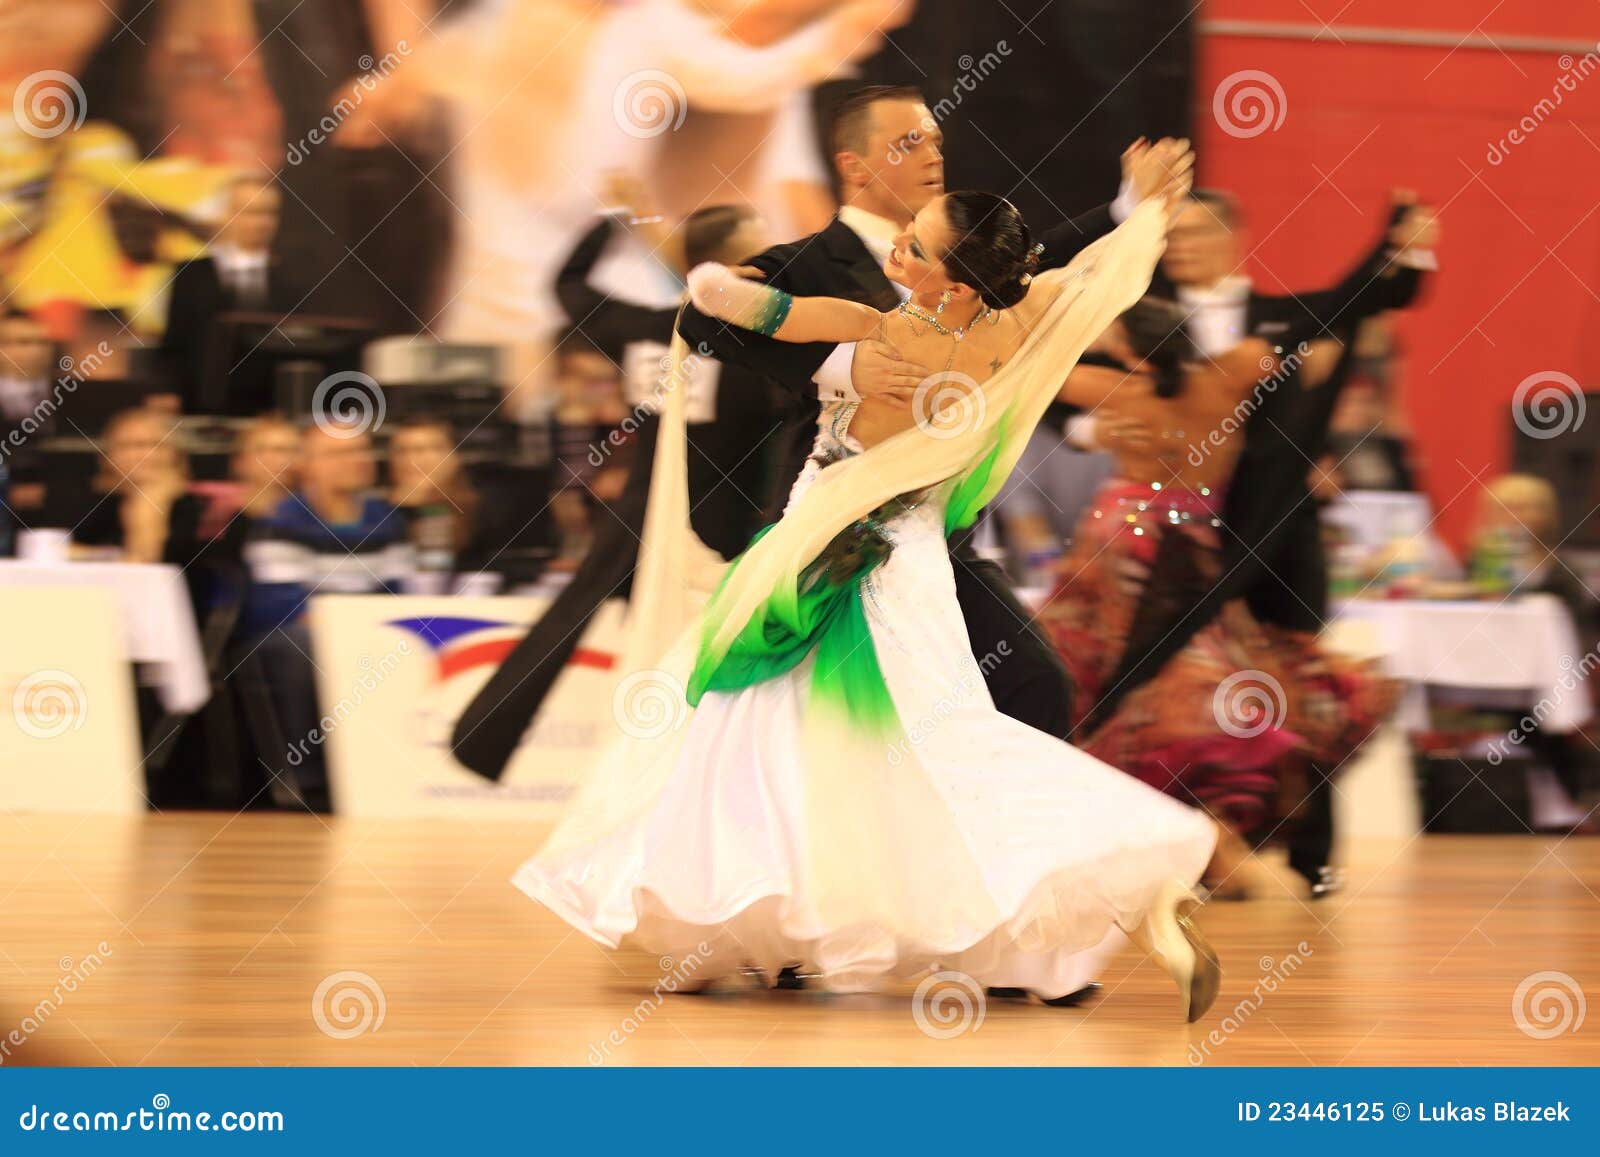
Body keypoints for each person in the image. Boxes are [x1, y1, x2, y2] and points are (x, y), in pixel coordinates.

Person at [516, 185, 1224, 1019]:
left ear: (954, 286)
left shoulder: (883, 331)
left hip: (833, 552)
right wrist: (1142, 214)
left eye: (915, 250)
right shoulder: (1022, 321)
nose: (897, 253)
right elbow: (1086, 278)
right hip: (915, 559)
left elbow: (735, 305)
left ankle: (724, 917)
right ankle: (1125, 886)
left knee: (751, 722)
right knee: (934, 747)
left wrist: (714, 273)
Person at [676, 83, 1194, 743]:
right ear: (855, 166)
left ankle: (999, 839)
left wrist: (1132, 212)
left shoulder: (967, 243)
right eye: (907, 141)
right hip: (835, 525)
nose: (931, 152)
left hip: (937, 529)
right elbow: (702, 315)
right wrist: (838, 367)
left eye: (934, 139)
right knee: (809, 714)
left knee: (1033, 686)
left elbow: (1035, 280)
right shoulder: (808, 262)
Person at [1092, 189, 1439, 896]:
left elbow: (1367, 296)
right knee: (1164, 690)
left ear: (1232, 236)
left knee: (1296, 685)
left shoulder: (1285, 319)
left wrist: (1403, 243)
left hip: (1280, 535)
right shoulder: (1140, 316)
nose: (1180, 246)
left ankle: (1313, 856)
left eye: (1193, 232)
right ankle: (1180, 850)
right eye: (1172, 235)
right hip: (1184, 542)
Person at [1035, 299, 1401, 897]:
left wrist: (1085, 427)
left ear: (1129, 348)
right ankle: (1210, 841)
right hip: (1195, 544)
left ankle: (1180, 844)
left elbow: (1025, 368)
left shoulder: (1115, 386)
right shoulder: (1226, 378)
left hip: (1124, 544)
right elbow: (1309, 337)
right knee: (1197, 683)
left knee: (1106, 684)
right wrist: (1369, 289)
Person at [452, 201, 788, 781]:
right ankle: (702, 776)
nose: (773, 260)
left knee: (574, 624)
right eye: (759, 247)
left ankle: (481, 742)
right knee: (713, 658)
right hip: (719, 529)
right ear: (727, 262)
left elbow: (570, 286)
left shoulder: (640, 327)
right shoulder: (765, 343)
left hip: (637, 518)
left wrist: (609, 219)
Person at [234, 420, 412, 809]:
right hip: (292, 634)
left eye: (361, 450)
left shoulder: (387, 518)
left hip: (366, 630)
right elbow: (278, 604)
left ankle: (400, 773)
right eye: (339, 453)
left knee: (412, 644)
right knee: (306, 646)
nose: (355, 460)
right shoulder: (283, 520)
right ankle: (311, 782)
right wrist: (346, 629)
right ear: (308, 464)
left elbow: (397, 593)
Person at [387, 414, 483, 588]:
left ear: (455, 457)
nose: (414, 460)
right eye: (403, 450)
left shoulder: (484, 513)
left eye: (429, 449)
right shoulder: (376, 514)